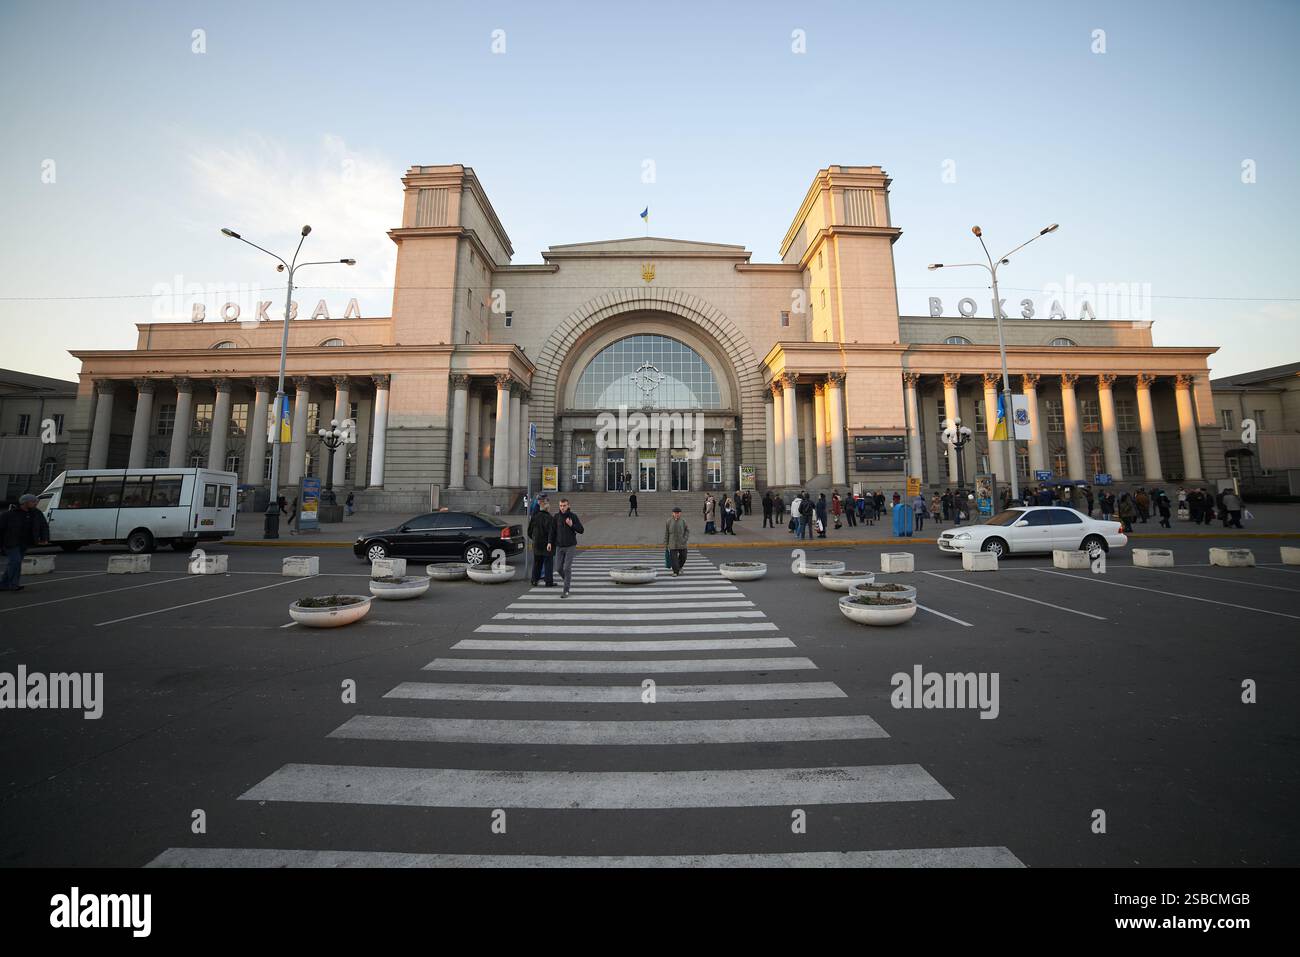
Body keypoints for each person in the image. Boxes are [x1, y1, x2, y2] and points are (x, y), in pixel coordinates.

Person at [0, 494, 50, 592]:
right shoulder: (9, 514)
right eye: (33, 502)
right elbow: (1, 529)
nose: (36, 503)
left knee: (14, 563)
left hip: (24, 542)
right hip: (10, 542)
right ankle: (13, 584)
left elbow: (43, 526)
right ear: (25, 502)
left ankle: (4, 584)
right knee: (15, 562)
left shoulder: (36, 513)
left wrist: (44, 538)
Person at [549, 498, 584, 598]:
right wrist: (549, 542)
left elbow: (581, 530)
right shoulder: (556, 517)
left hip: (570, 546)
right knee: (558, 568)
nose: (562, 508)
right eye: (561, 506)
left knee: (567, 568)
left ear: (568, 506)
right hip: (559, 546)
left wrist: (572, 525)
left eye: (564, 505)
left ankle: (566, 590)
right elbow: (552, 531)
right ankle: (567, 580)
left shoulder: (573, 516)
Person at [527, 496, 556, 587]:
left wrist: (534, 538)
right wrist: (550, 542)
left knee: (537, 563)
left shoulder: (535, 517)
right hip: (547, 544)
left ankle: (534, 580)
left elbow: (529, 531)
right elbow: (551, 532)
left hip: (537, 543)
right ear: (547, 508)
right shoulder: (550, 518)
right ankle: (548, 581)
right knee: (548, 563)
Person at [665, 506, 690, 575]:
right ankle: (675, 572)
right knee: (674, 559)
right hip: (672, 543)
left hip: (682, 543)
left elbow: (687, 531)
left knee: (684, 557)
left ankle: (679, 567)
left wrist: (685, 539)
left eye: (678, 513)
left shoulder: (683, 521)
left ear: (680, 513)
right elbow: (667, 532)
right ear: (672, 513)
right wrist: (666, 543)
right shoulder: (669, 521)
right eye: (675, 513)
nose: (677, 514)